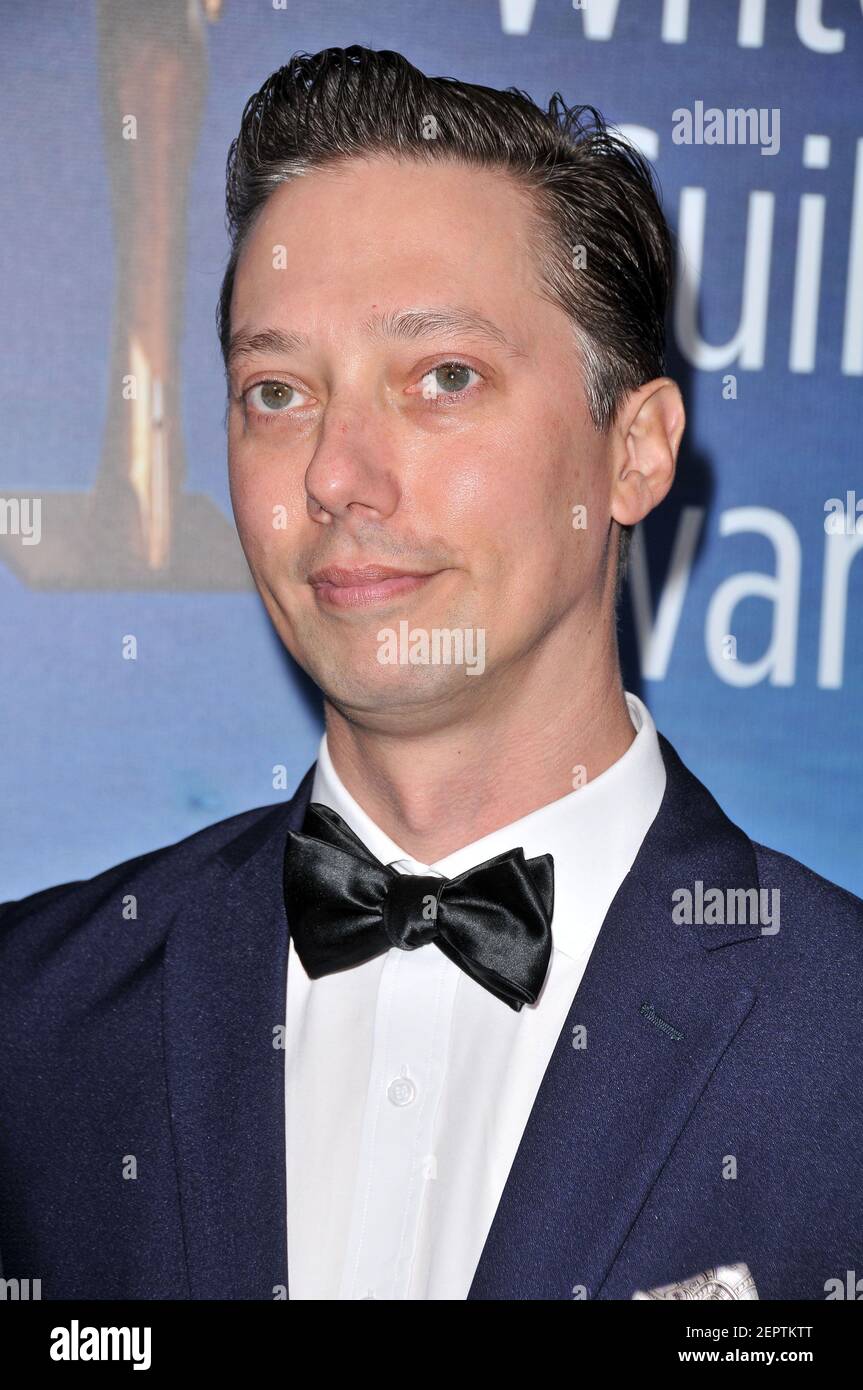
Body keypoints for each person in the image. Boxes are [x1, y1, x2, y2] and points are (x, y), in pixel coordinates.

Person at [1, 45, 860, 1303]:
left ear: (633, 451)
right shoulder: (34, 1020)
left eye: (442, 378)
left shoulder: (834, 1038)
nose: (337, 476)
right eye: (278, 391)